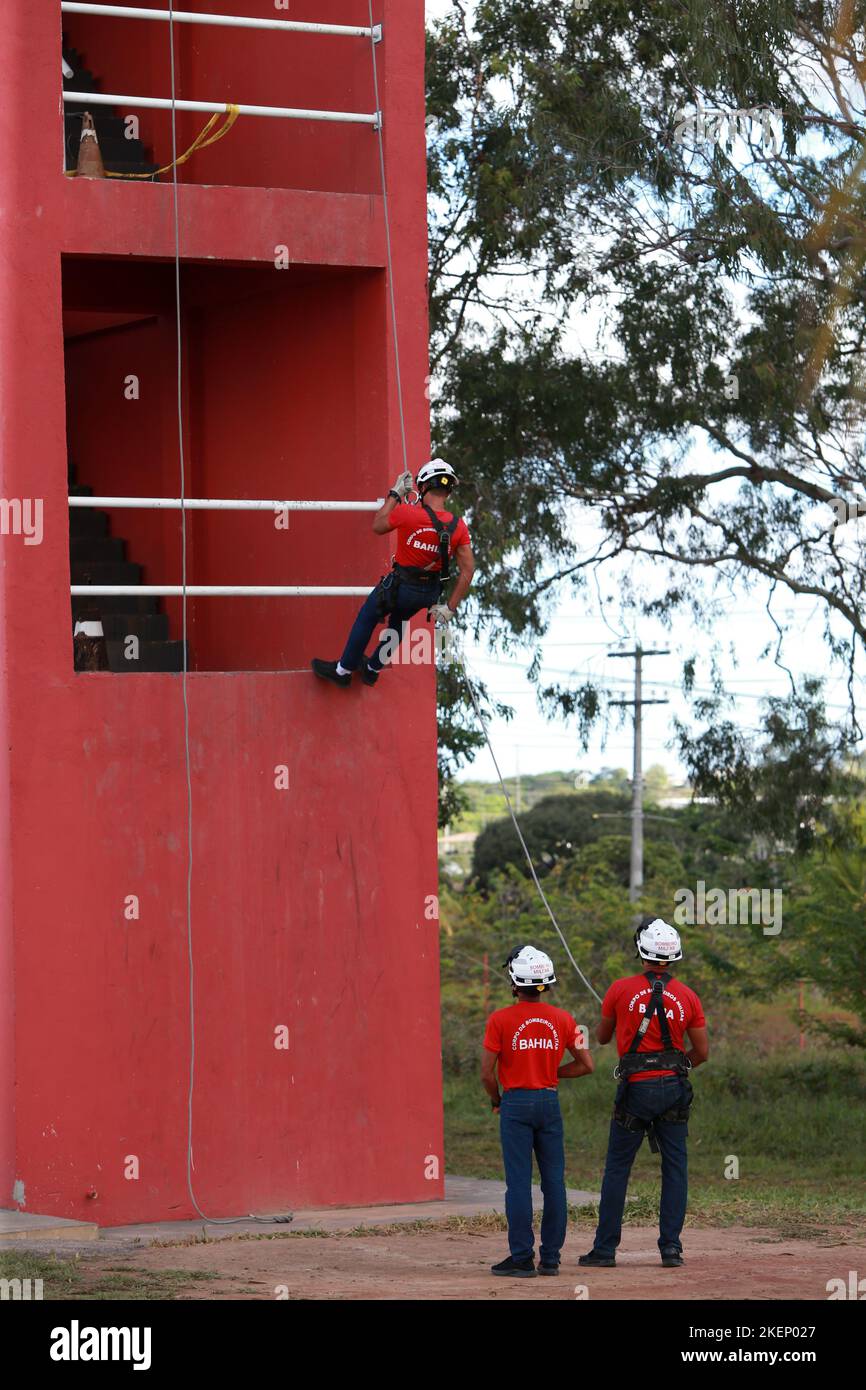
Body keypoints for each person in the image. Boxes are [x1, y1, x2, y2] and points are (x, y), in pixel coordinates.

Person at [579, 917, 709, 1270]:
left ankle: (605, 1250)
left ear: (641, 951)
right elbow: (701, 1051)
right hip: (673, 1088)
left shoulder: (620, 989)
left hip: (635, 1089)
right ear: (674, 957)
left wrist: (620, 1017)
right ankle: (671, 1248)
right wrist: (679, 1067)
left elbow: (603, 1038)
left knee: (618, 1168)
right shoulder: (688, 996)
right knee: (675, 1168)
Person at [481, 945, 594, 1278]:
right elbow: (587, 1065)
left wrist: (496, 1099)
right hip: (549, 1102)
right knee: (554, 1182)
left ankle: (520, 1258)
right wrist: (550, 1072)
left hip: (515, 1103)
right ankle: (551, 1258)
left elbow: (487, 1073)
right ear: (546, 984)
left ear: (515, 984)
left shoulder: (499, 1019)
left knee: (518, 1183)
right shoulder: (563, 1019)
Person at [311, 459, 474, 687]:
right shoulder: (458, 526)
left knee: (367, 616)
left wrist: (395, 494)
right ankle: (372, 668)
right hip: (428, 593)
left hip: (401, 586)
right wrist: (450, 607)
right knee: (400, 619)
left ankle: (343, 670)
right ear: (448, 490)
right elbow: (468, 570)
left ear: (423, 486)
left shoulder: (408, 513)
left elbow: (377, 525)